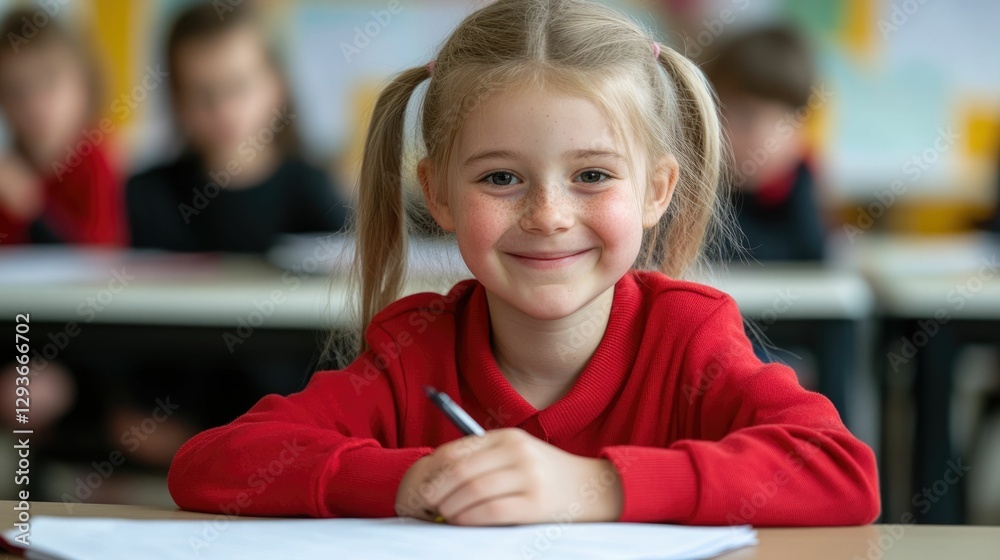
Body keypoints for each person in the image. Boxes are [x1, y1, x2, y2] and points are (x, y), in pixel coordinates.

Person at [168, 0, 879, 526]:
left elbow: (844, 474)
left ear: (658, 190)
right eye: (501, 178)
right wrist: (416, 480)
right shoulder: (413, 349)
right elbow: (212, 464)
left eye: (593, 176)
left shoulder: (688, 338)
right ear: (439, 195)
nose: (549, 215)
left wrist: (591, 487)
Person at [126, 2, 350, 252]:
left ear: (278, 85)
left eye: (239, 86)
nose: (224, 111)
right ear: (177, 101)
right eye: (202, 94)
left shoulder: (315, 191)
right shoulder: (148, 196)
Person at [700, 25, 827, 262]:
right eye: (745, 117)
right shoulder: (698, 186)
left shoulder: (798, 181)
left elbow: (812, 256)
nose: (722, 132)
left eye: (746, 119)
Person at [0, 8, 125, 245]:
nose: (34, 103)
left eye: (50, 80)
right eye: (16, 90)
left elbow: (97, 258)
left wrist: (32, 206)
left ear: (84, 83)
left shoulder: (95, 161)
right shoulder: (6, 172)